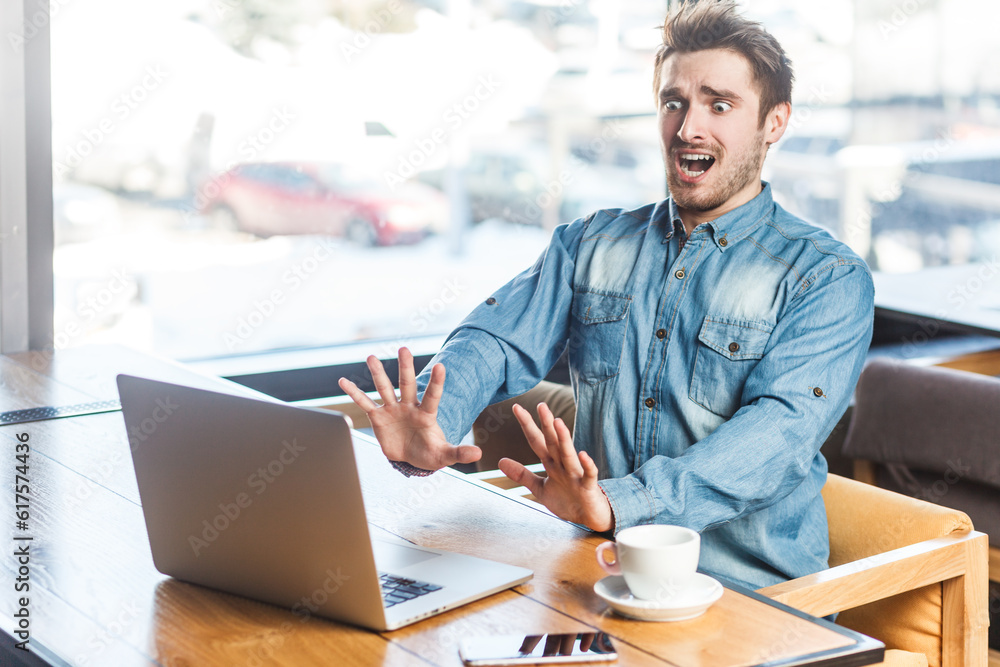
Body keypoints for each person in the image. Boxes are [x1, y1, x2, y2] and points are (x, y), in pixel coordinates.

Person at [339, 0, 874, 591]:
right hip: (597, 574)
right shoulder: (590, 243)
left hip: (750, 594)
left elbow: (779, 433)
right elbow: (496, 338)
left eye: (719, 105)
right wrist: (436, 419)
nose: (688, 128)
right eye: (674, 102)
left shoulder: (827, 278)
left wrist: (622, 504)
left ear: (774, 122)